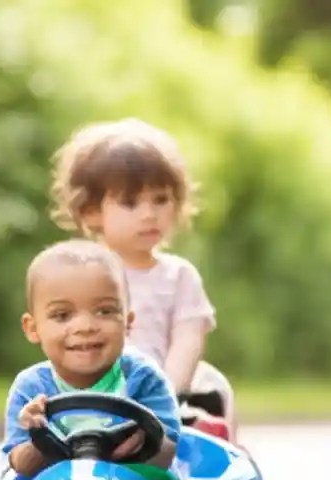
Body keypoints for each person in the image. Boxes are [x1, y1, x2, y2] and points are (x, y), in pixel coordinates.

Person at [48, 118, 235, 433]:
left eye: (161, 200)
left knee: (215, 399)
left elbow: (188, 339)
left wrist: (165, 394)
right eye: (130, 203)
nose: (150, 214)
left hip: (164, 401)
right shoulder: (77, 275)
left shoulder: (178, 276)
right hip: (91, 399)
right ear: (92, 211)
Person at [3, 240, 181, 480]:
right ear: (33, 328)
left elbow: (168, 453)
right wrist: (37, 435)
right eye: (62, 315)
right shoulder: (31, 389)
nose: (85, 327)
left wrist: (143, 443)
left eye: (105, 311)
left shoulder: (142, 378)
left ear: (127, 322)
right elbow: (19, 464)